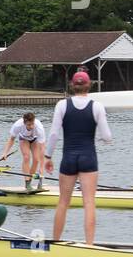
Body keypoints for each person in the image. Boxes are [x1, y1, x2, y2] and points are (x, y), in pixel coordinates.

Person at [45, 70, 113, 244]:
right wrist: (95, 135)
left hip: (68, 158)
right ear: (89, 85)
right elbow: (107, 137)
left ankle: (55, 242)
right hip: (88, 157)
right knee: (89, 203)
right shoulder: (97, 106)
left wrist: (48, 156)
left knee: (63, 202)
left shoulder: (62, 105)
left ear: (72, 86)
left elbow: (53, 134)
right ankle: (89, 246)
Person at [1, 112, 46, 190]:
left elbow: (42, 148)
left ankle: (31, 180)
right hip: (23, 139)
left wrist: (42, 168)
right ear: (24, 123)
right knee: (26, 157)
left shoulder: (39, 128)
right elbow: (11, 139)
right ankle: (27, 183)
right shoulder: (18, 125)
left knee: (36, 159)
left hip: (34, 139)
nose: (31, 126)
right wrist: (5, 153)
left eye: (32, 124)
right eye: (29, 125)